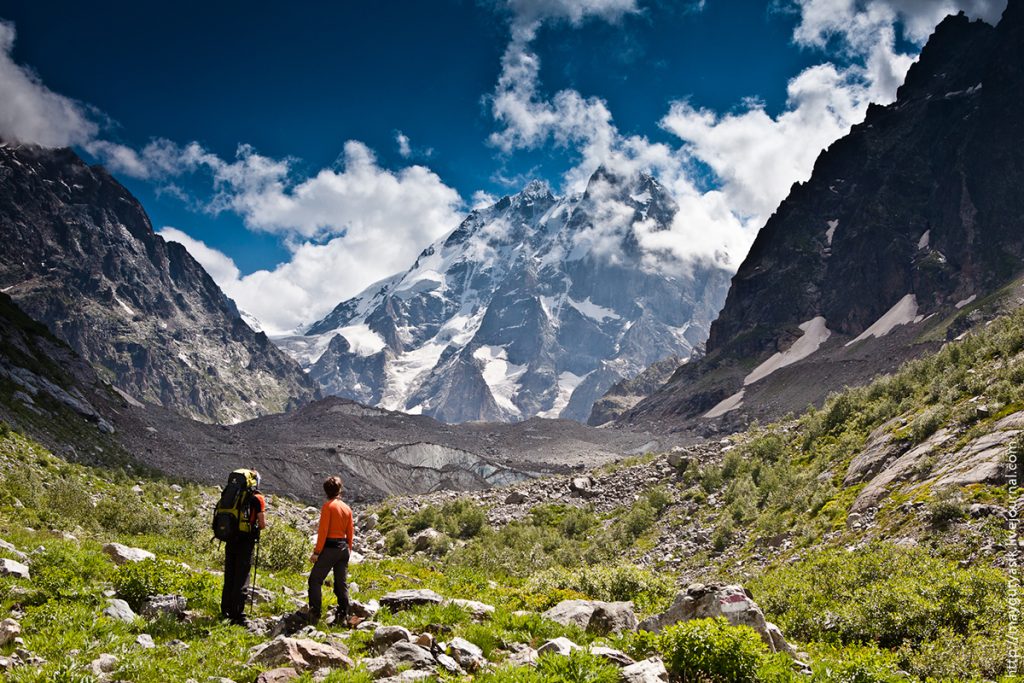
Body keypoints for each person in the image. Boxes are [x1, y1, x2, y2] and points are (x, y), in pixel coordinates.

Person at [220, 470, 266, 625]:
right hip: (246, 541)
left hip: (230, 537)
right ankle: (237, 614)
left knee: (230, 574)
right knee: (242, 576)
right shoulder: (258, 498)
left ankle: (225, 609)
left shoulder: (232, 494)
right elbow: (262, 524)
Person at [308, 475, 354, 624]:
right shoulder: (347, 508)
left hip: (330, 548)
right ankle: (343, 615)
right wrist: (349, 550)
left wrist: (316, 552)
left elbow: (323, 532)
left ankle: (315, 614)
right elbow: (350, 532)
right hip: (343, 548)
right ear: (339, 489)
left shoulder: (328, 507)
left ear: (326, 491)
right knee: (341, 583)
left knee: (315, 580)